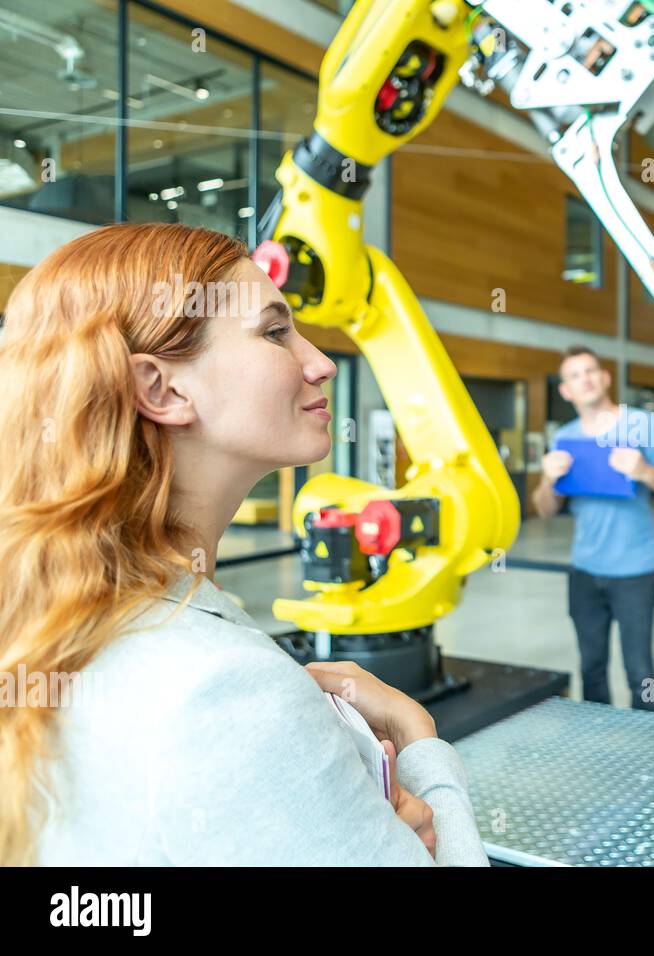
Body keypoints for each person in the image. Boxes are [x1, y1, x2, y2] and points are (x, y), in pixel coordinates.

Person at [0, 222, 487, 865]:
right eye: (275, 332)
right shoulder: (222, 688)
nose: (320, 362)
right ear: (161, 389)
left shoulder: (55, 621)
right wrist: (421, 750)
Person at [533, 346, 654, 711]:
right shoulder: (565, 438)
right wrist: (547, 480)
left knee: (640, 671)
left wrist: (645, 472)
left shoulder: (639, 425)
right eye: (574, 375)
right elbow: (544, 509)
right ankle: (599, 748)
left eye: (590, 371)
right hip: (584, 570)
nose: (584, 379)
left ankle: (651, 748)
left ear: (604, 378)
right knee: (591, 669)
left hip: (633, 570)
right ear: (565, 391)